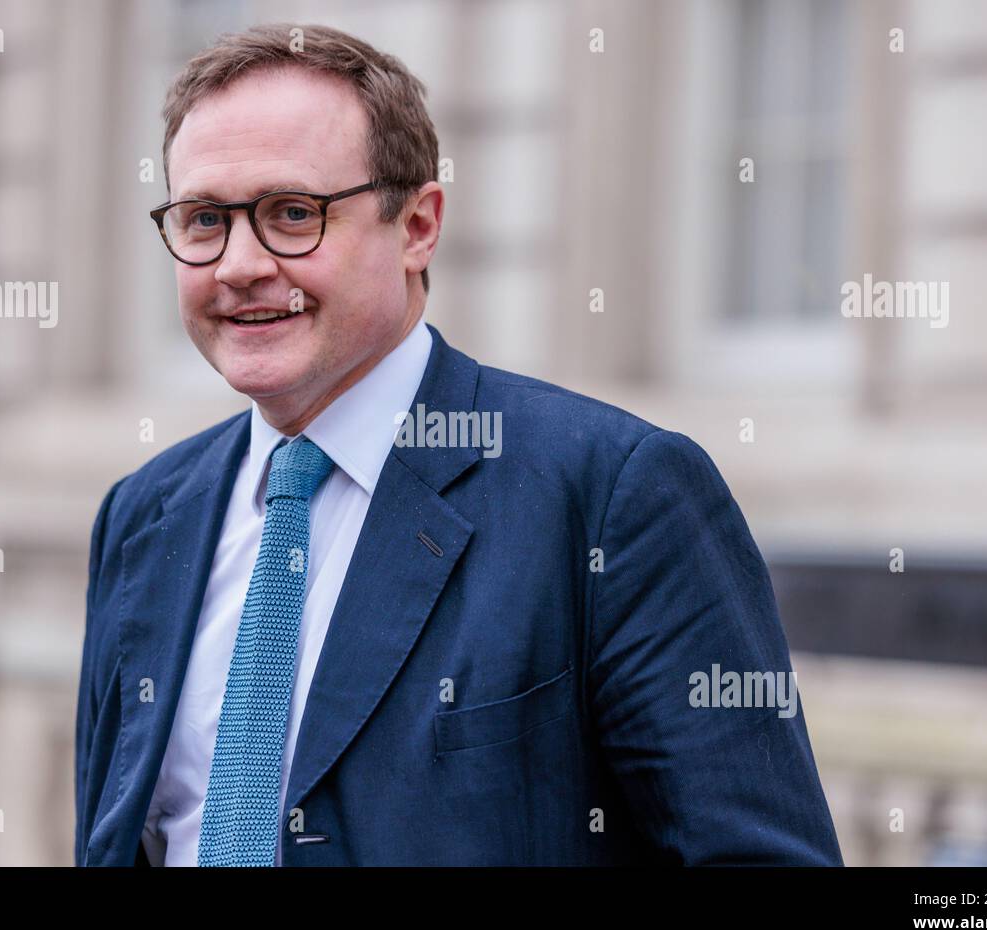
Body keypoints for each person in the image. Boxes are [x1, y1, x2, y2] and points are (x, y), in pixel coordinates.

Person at [74, 22, 843, 867]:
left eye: (292, 214)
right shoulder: (142, 516)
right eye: (203, 219)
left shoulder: (614, 494)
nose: (239, 265)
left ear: (417, 226)